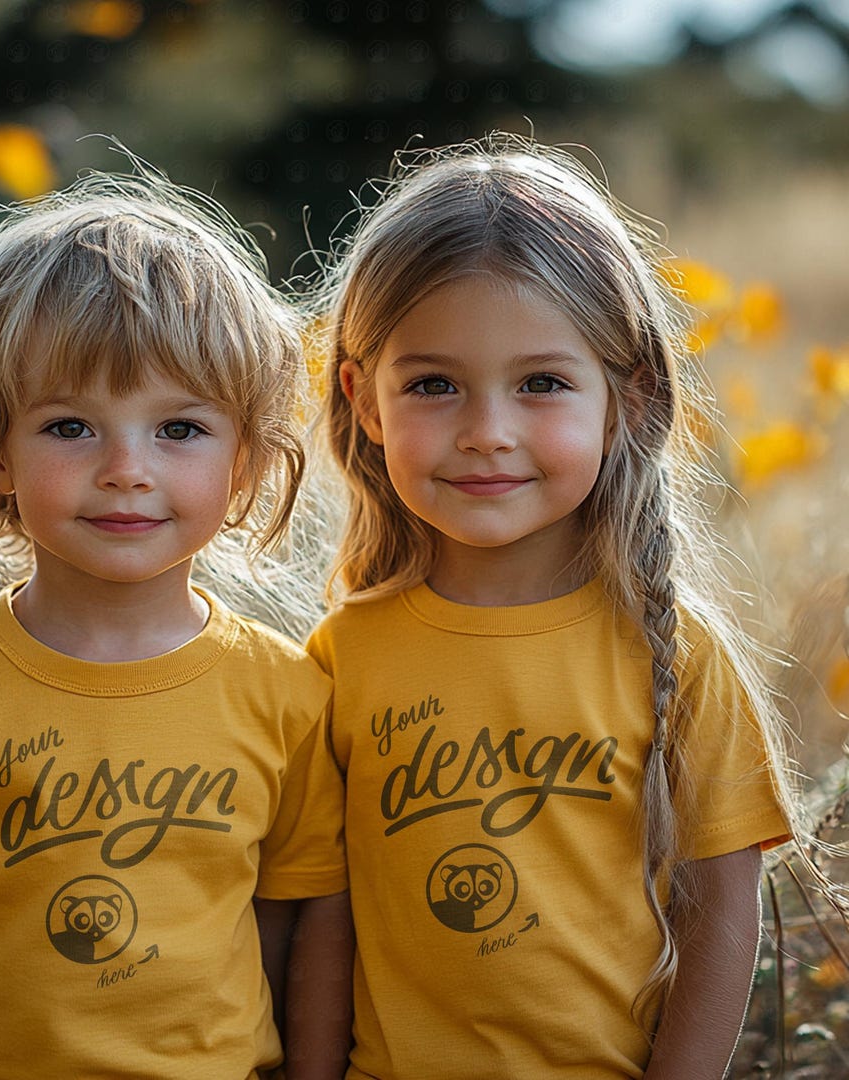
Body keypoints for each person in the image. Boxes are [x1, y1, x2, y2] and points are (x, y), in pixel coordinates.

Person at [0, 164, 351, 1080]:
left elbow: (301, 917)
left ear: (246, 461)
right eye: (70, 428)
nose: (127, 469)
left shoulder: (287, 691)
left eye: (179, 430)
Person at [305, 136, 815, 1079]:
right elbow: (326, 914)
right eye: (432, 385)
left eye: (540, 383)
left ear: (630, 399)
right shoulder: (341, 657)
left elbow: (722, 919)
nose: (486, 433)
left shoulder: (672, 652)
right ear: (364, 402)